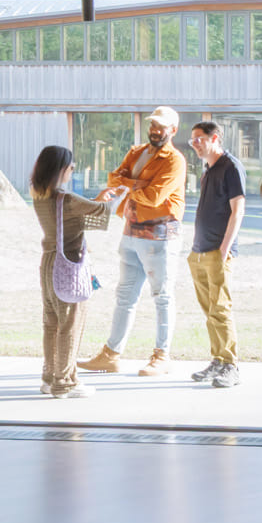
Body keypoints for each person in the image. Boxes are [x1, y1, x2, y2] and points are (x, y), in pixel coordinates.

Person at [79, 106, 187, 377]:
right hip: (130, 232)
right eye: (153, 125)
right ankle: (111, 355)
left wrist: (126, 184)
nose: (155, 130)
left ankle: (162, 356)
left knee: (162, 296)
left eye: (161, 126)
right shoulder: (136, 152)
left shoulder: (175, 160)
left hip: (160, 237)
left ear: (173, 130)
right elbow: (112, 178)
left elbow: (153, 198)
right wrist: (133, 183)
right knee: (125, 296)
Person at [29, 145, 110, 399]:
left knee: (51, 322)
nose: (73, 170)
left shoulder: (38, 193)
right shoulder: (67, 199)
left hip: (48, 263)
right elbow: (102, 212)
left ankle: (51, 375)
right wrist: (110, 197)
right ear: (60, 169)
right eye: (71, 166)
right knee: (71, 323)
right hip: (68, 265)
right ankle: (63, 382)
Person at [187, 119, 246, 389]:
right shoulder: (208, 169)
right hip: (199, 252)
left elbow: (238, 210)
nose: (195, 144)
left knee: (220, 309)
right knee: (209, 310)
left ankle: (231, 366)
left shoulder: (231, 167)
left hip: (218, 253)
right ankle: (218, 361)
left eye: (200, 138)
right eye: (193, 140)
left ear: (215, 138)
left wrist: (224, 249)